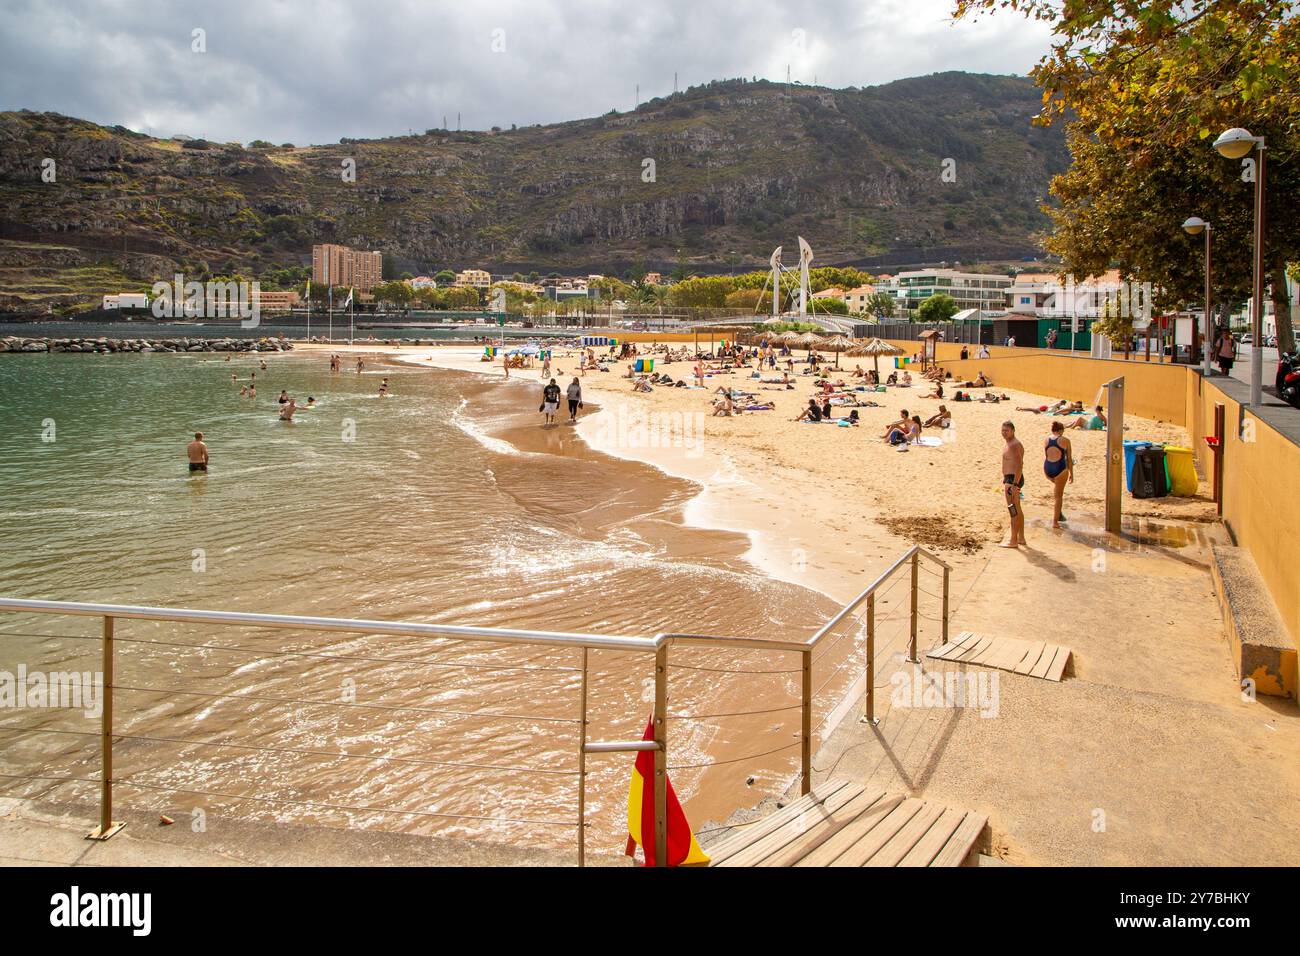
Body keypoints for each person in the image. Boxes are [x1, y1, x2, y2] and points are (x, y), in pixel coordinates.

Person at [1000, 421, 1026, 548]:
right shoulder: (1009, 443)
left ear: (1013, 431)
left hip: (1012, 480)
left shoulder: (1015, 445)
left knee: (1013, 511)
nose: (1004, 433)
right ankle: (1021, 538)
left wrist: (1015, 484)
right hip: (1010, 479)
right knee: (1017, 509)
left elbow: (1019, 465)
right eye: (1003, 430)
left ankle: (1013, 540)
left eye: (1007, 430)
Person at [1043, 420, 1074, 528]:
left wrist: (1046, 473)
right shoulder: (1065, 440)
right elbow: (1069, 459)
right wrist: (1071, 473)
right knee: (1058, 496)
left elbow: (1047, 455)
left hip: (1047, 468)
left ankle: (1059, 513)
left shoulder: (1046, 439)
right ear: (1061, 431)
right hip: (1059, 468)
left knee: (1056, 490)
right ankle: (1055, 522)